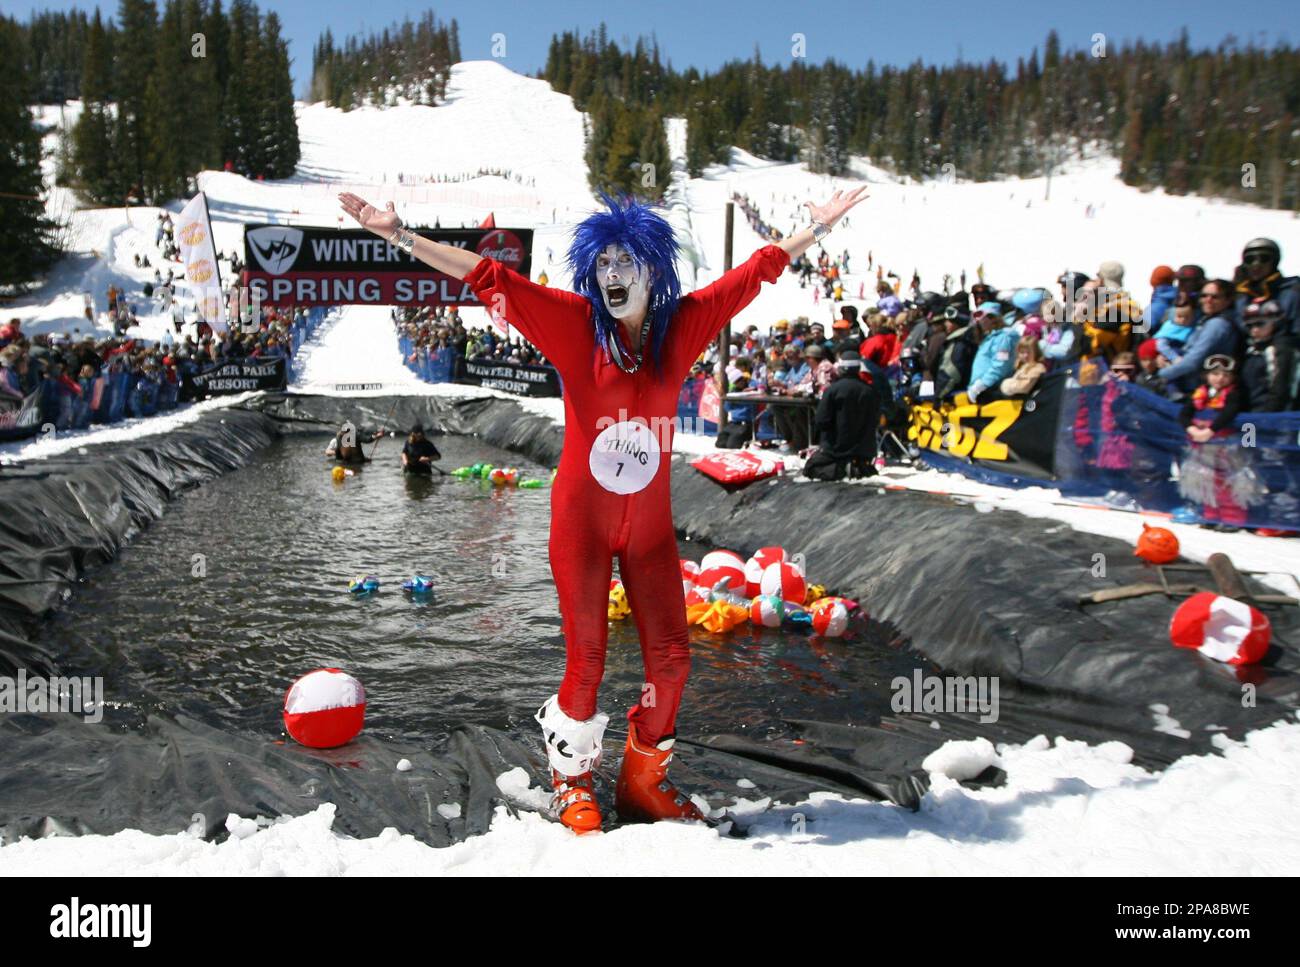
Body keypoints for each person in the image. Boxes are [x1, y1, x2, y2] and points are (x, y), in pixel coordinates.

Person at [340, 184, 868, 832]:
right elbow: (487, 274)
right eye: (603, 265)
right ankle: (572, 780)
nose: (611, 275)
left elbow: (749, 278)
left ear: (653, 269)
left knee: (674, 658)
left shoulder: (680, 330)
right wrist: (398, 235)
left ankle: (644, 779)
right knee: (586, 658)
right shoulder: (570, 325)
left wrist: (809, 231)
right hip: (583, 524)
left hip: (648, 529)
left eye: (624, 262)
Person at [1177, 356, 1263, 529]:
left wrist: (1210, 431)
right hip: (1205, 447)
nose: (1220, 378)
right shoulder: (1200, 393)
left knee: (1230, 481)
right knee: (1207, 479)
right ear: (1206, 375)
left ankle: (1232, 518)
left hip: (1228, 446)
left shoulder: (1234, 394)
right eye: (1215, 374)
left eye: (1225, 375)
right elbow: (1184, 413)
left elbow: (1229, 412)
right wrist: (1191, 429)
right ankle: (1211, 515)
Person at [1158, 279, 1242, 396]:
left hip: (1197, 390)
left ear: (1228, 300)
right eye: (1204, 296)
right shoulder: (1205, 319)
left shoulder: (1217, 325)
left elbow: (1193, 361)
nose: (1208, 300)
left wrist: (1161, 375)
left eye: (1215, 297)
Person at [804, 351, 879, 481]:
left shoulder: (832, 390)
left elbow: (821, 421)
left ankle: (842, 470)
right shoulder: (870, 391)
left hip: (836, 450)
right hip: (865, 451)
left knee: (810, 468)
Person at [1234, 238, 1299, 338]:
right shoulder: (1241, 296)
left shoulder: (1293, 291)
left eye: (1264, 258)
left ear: (1275, 261)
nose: (1256, 264)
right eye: (1250, 259)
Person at [1239, 299, 1296, 412]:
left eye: (1260, 324)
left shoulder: (1278, 350)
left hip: (1270, 415)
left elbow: (1280, 387)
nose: (1254, 330)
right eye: (1249, 325)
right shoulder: (1250, 349)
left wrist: (1267, 414)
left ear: (1274, 323)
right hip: (1249, 411)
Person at [966, 303, 1020, 402]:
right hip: (983, 389)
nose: (979, 323)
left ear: (993, 318)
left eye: (982, 319)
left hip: (992, 390)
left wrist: (982, 384)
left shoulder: (1004, 337)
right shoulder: (991, 338)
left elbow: (1001, 364)